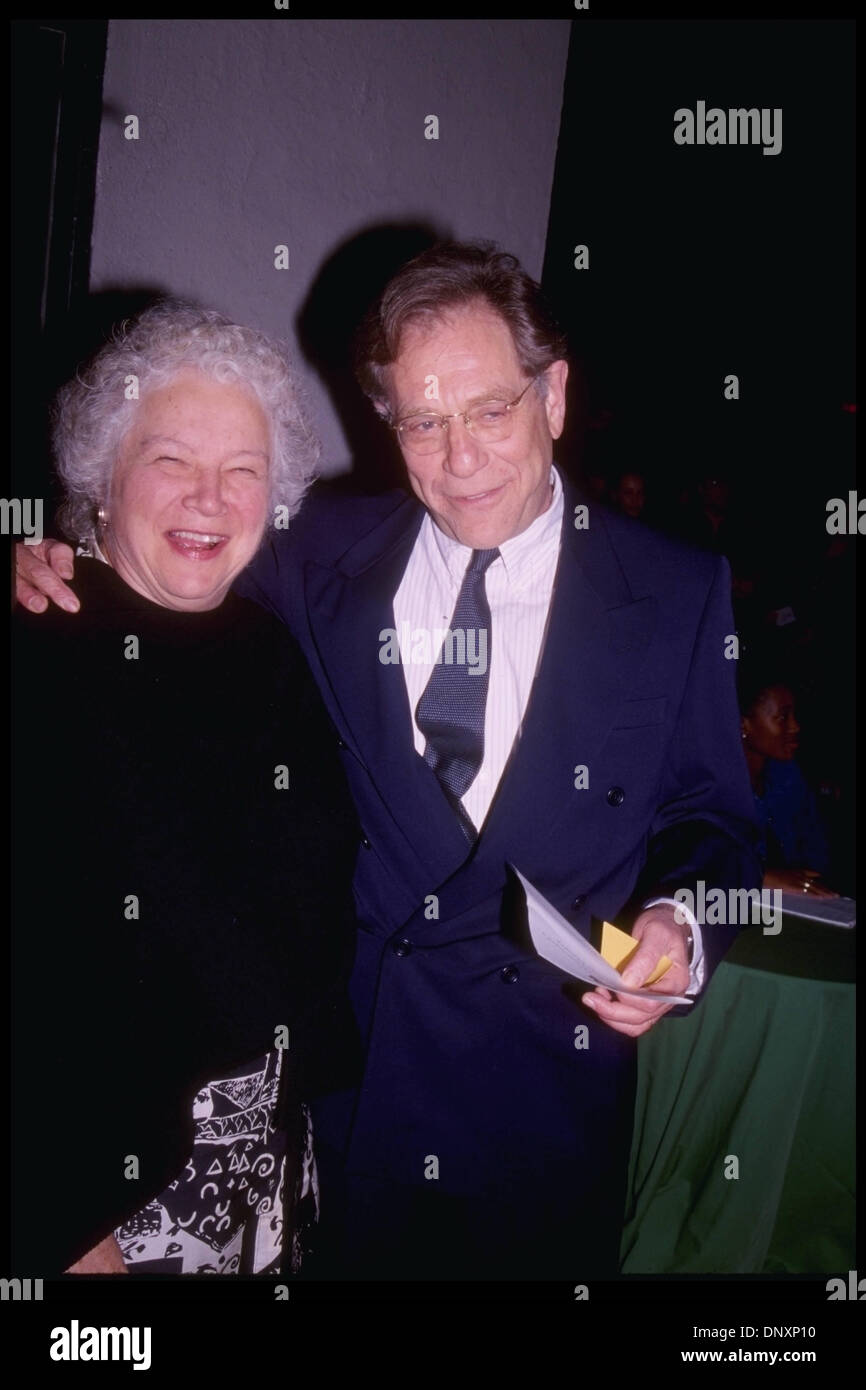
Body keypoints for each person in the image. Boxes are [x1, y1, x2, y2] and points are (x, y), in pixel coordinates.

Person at [17, 242, 761, 1281]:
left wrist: (681, 925)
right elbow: (158, 545)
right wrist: (46, 551)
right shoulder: (314, 552)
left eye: (489, 411)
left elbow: (719, 824)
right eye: (422, 419)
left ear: (551, 395)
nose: (459, 457)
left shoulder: (675, 592)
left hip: (539, 1129)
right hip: (337, 1128)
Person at [12, 302, 360, 1276]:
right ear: (102, 475)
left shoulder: (269, 652)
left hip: (267, 1177)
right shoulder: (39, 646)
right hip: (103, 1201)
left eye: (242, 469)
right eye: (170, 459)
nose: (209, 498)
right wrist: (63, 1231)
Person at [737, 665, 836, 898]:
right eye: (782, 717)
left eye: (794, 715)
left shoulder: (787, 775)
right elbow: (697, 863)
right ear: (743, 725)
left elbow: (816, 854)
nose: (795, 726)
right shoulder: (711, 786)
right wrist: (761, 876)